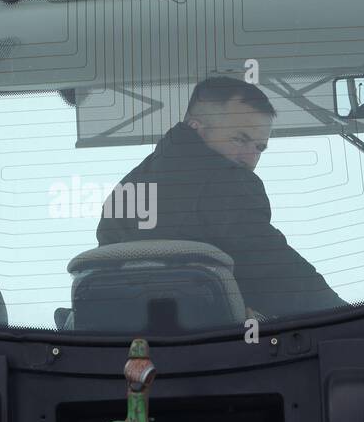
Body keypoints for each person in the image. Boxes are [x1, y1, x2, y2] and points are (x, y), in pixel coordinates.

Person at [96, 76, 345, 318]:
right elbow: (275, 272)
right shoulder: (228, 182)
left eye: (259, 148)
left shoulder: (125, 192)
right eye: (239, 139)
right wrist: (347, 317)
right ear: (195, 128)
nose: (250, 158)